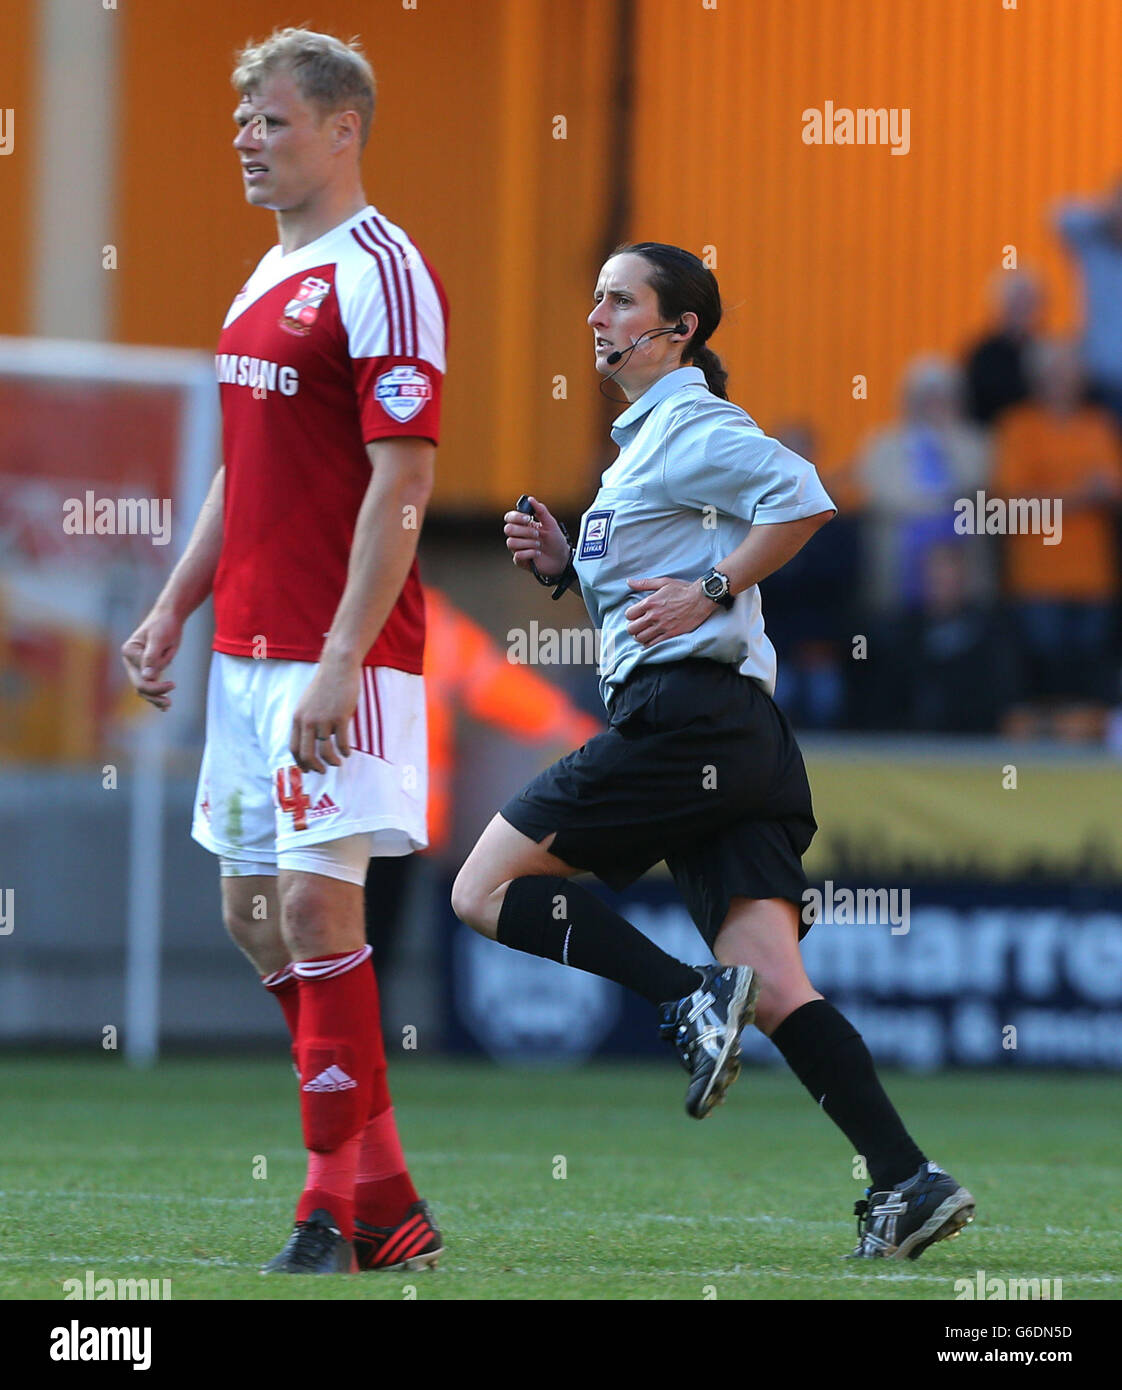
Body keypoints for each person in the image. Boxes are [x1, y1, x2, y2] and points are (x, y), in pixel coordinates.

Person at [451, 243, 975, 1260]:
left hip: (690, 719)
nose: (596, 314)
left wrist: (718, 588)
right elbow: (663, 584)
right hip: (739, 735)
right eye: (595, 295)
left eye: (619, 299)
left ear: (678, 327)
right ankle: (909, 1180)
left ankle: (683, 996)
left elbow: (806, 495)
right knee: (774, 983)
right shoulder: (645, 442)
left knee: (481, 888)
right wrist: (571, 572)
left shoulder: (689, 421)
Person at [121, 28, 447, 1276]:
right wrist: (174, 604)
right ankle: (392, 1193)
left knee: (317, 903)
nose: (248, 141)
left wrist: (339, 658)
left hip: (339, 654)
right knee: (258, 918)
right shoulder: (265, 277)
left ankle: (325, 1210)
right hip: (247, 655)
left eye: (271, 120)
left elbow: (405, 481)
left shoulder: (384, 269)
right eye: (242, 122)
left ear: (342, 127)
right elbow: (240, 472)